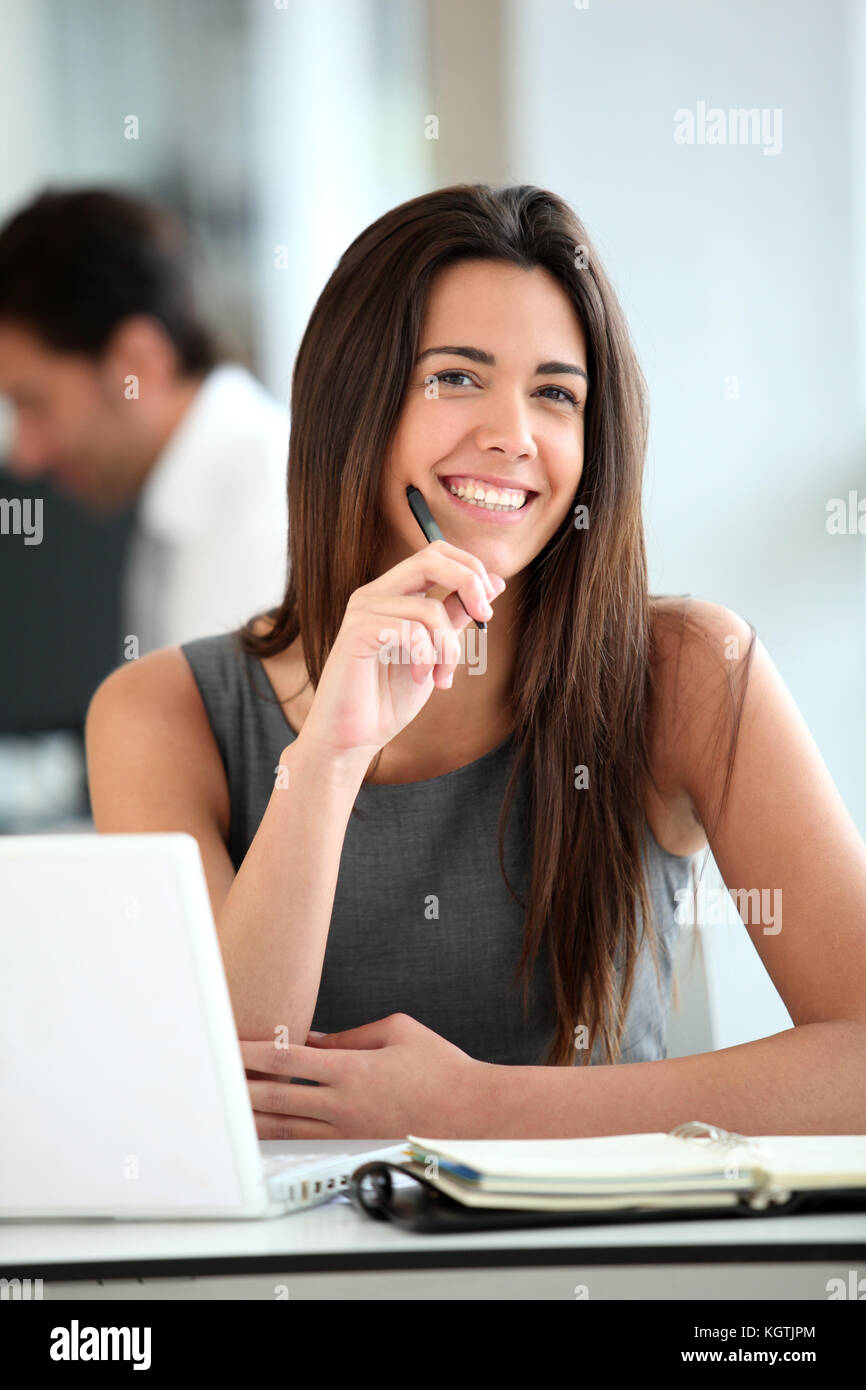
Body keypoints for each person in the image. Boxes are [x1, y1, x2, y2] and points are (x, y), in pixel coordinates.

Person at [85, 183, 866, 1140]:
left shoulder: (694, 672)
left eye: (556, 393)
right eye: (455, 377)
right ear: (350, 405)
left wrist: (475, 1106)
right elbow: (220, 1107)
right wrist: (328, 761)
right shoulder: (158, 713)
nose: (514, 435)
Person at [0, 188, 288, 652]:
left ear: (137, 361)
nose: (24, 458)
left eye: (34, 404)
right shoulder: (179, 498)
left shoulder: (274, 511)